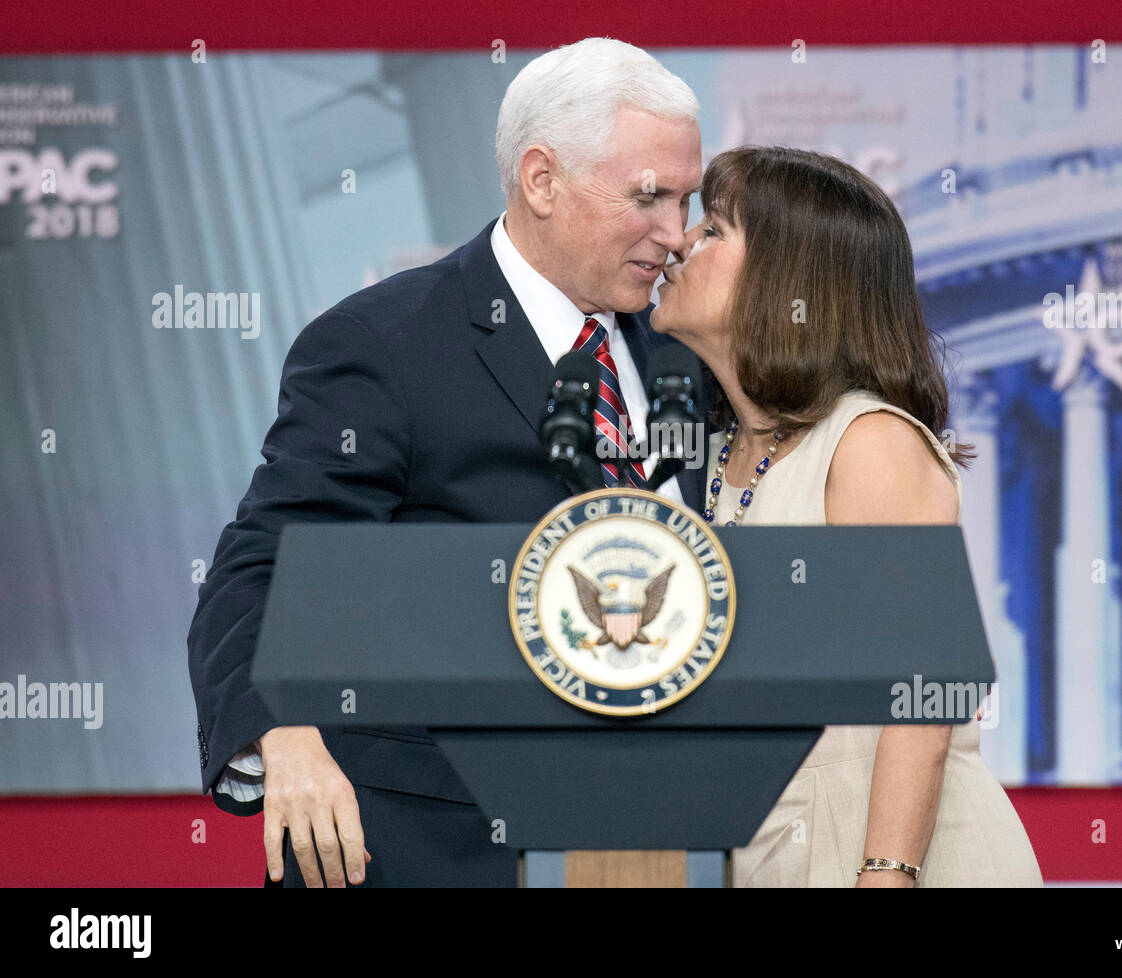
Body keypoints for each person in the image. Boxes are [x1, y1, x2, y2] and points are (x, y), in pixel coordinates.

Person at [187, 37, 707, 887]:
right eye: (649, 198)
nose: (676, 235)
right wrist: (282, 735)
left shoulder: (686, 355)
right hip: (441, 850)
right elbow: (264, 566)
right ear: (542, 179)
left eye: (687, 200)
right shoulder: (382, 346)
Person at [649, 145, 1043, 887]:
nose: (678, 244)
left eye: (713, 231)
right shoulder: (710, 460)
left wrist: (886, 873)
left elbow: (932, 684)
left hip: (900, 860)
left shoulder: (869, 442)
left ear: (787, 276)